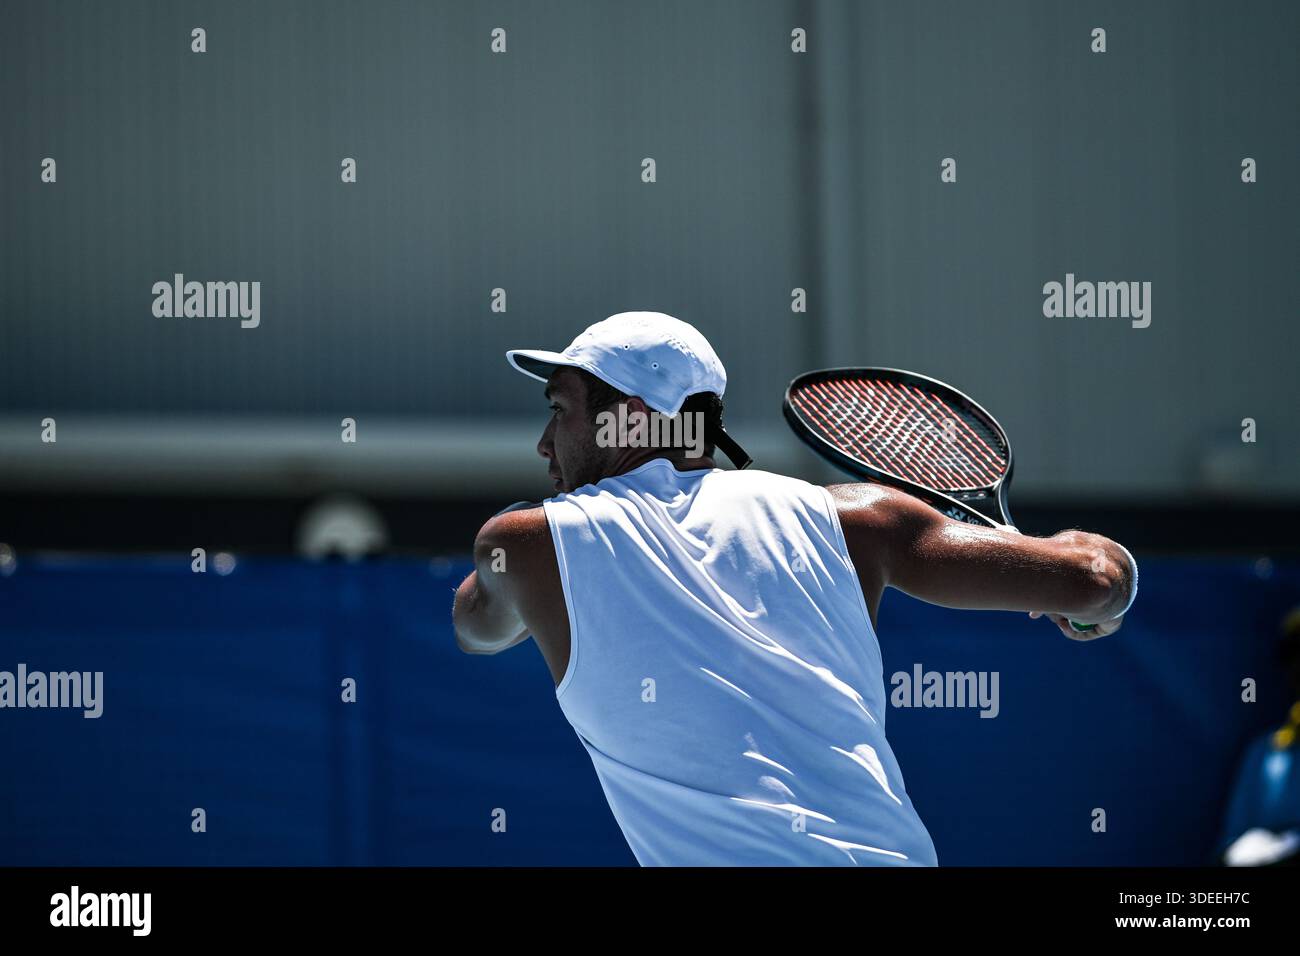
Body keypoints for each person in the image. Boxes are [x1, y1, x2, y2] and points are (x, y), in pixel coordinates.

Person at [452, 311, 1138, 866]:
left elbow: (475, 628)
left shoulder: (524, 544)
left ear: (629, 415)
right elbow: (1099, 580)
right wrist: (1090, 577)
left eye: (561, 409)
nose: (545, 442)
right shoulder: (861, 519)